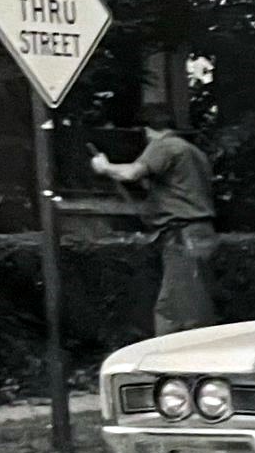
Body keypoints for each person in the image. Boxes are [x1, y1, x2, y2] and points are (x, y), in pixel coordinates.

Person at [90, 106, 220, 335]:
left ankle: (168, 365)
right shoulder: (193, 152)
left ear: (147, 130)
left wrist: (105, 167)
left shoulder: (165, 146)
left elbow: (131, 173)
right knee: (194, 305)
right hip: (200, 234)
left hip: (182, 236)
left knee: (173, 311)